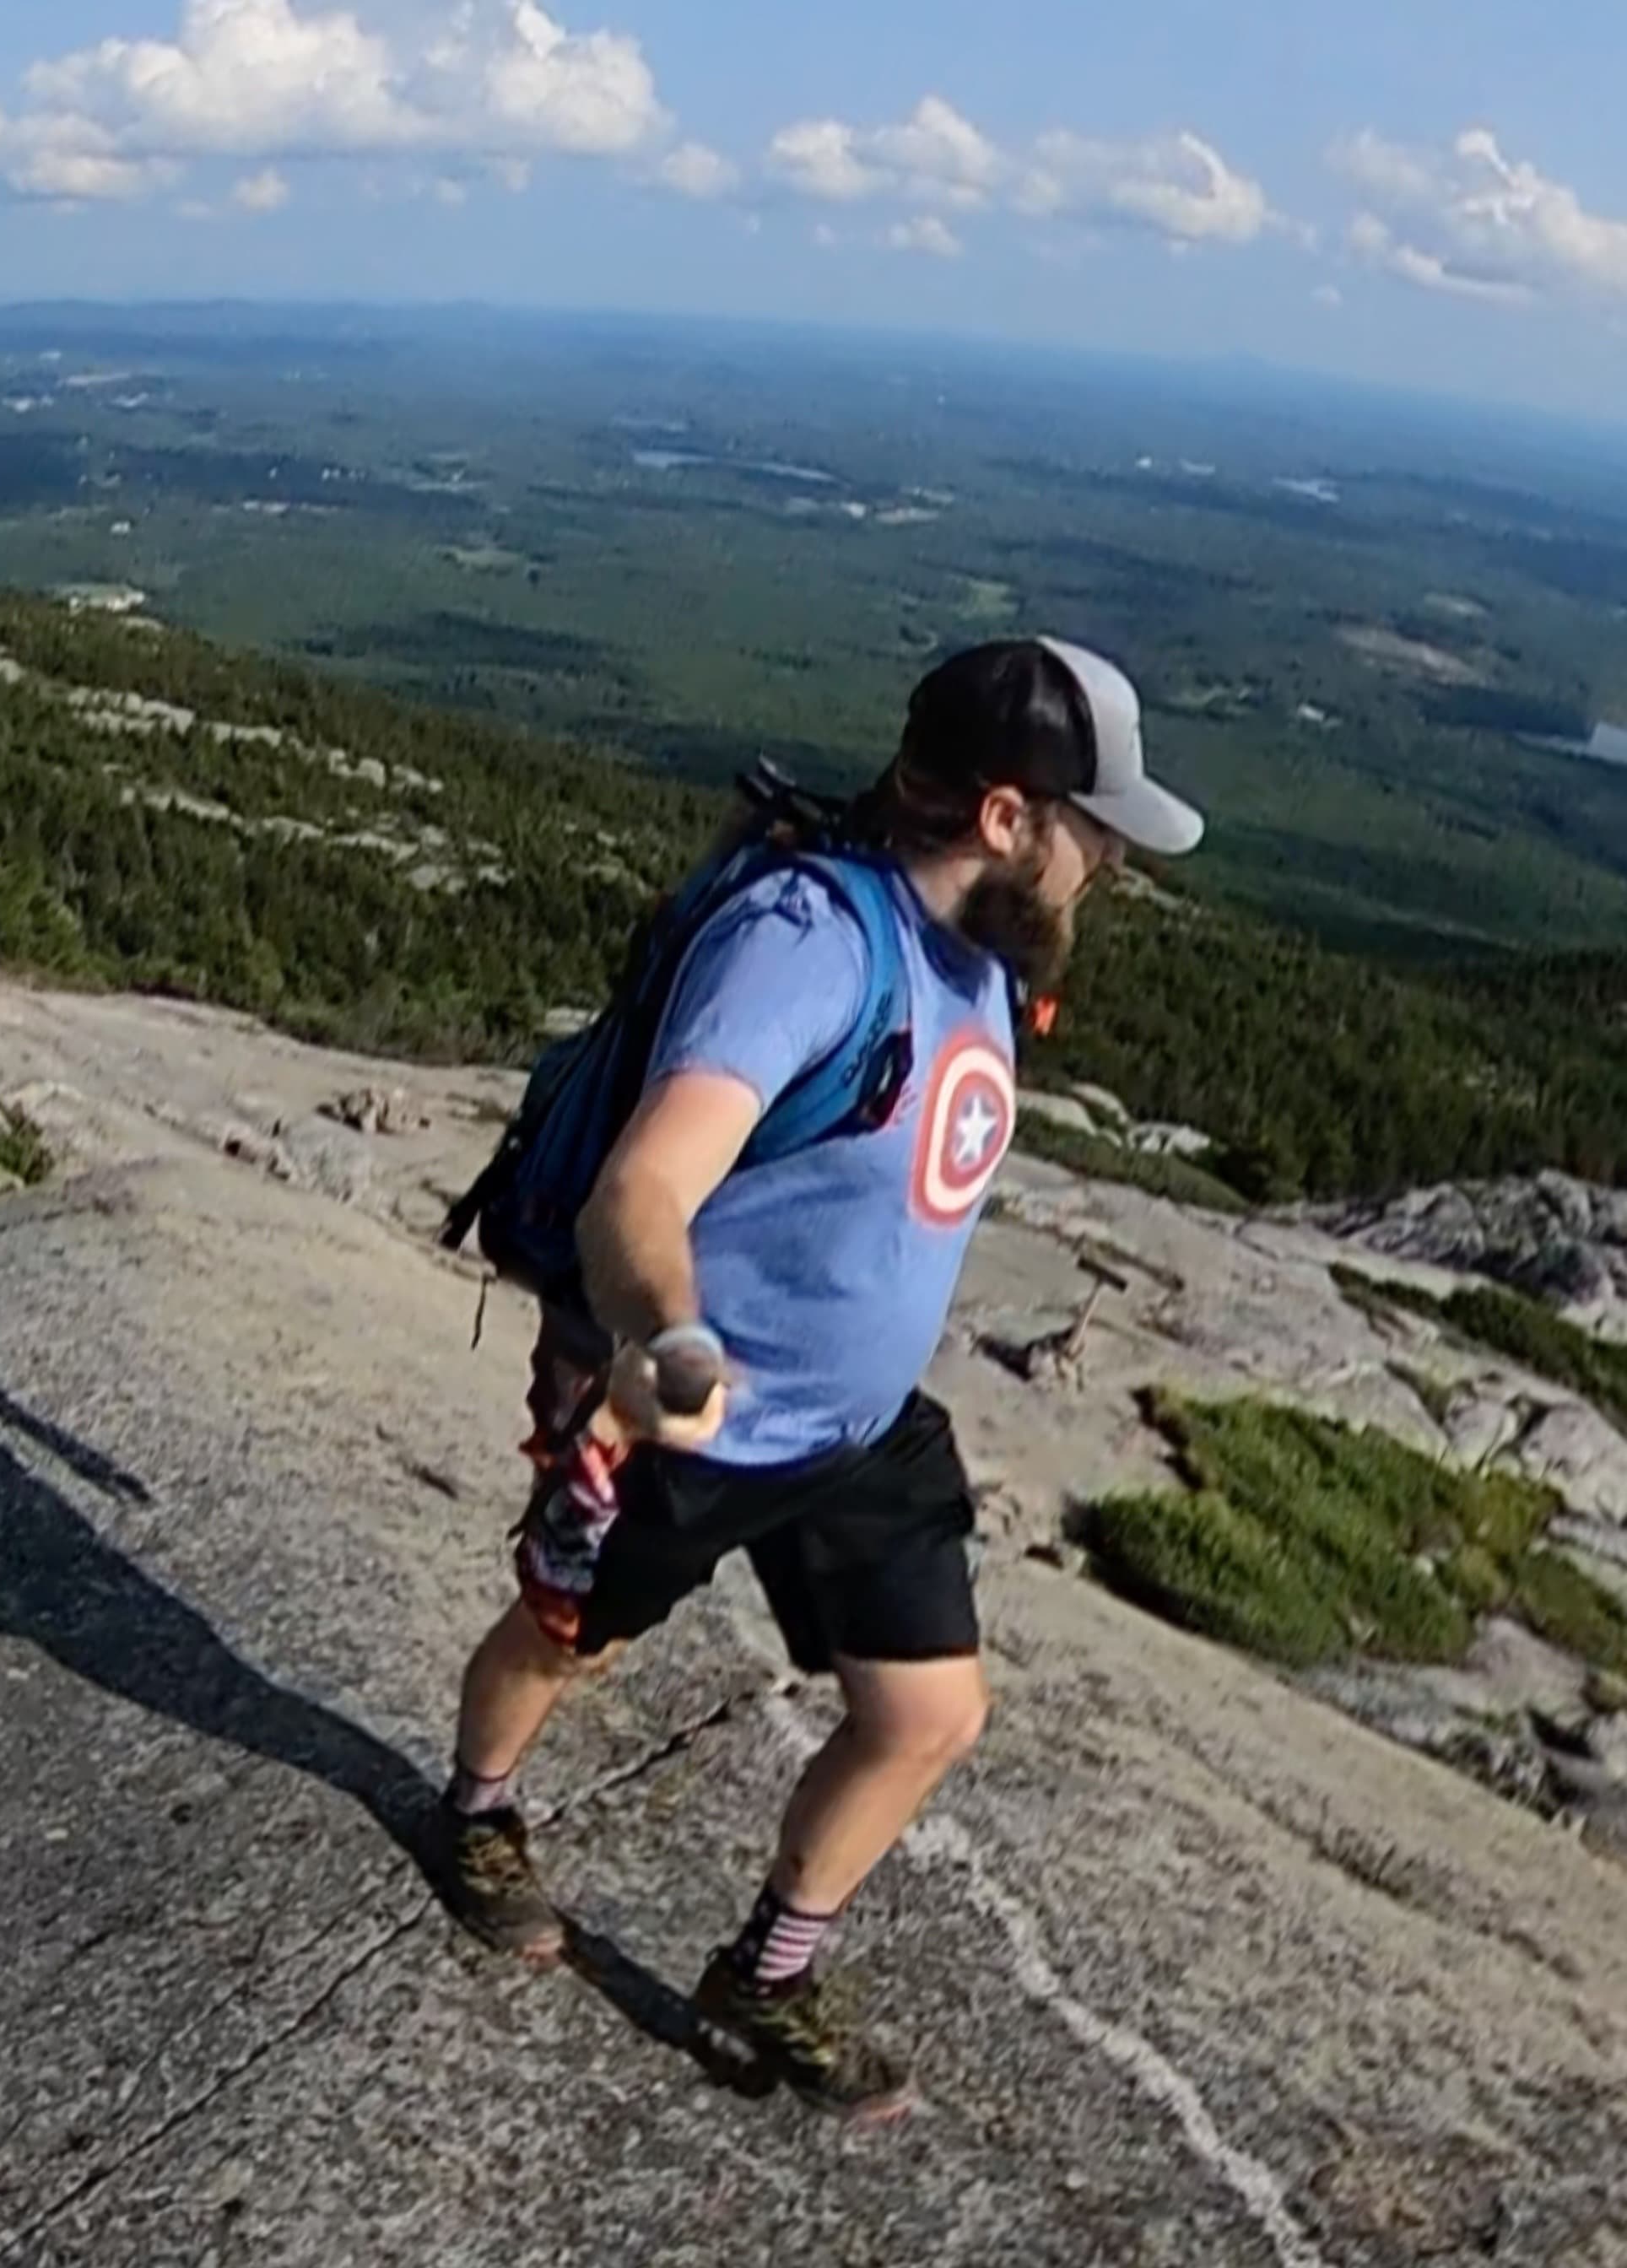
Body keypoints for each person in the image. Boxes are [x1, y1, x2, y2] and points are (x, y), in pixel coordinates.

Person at [421, 636, 1204, 2123]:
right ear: (1005, 818)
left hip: (860, 1426)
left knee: (929, 1714)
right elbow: (642, 1192)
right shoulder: (810, 944)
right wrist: (669, 1341)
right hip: (701, 1414)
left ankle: (767, 1974)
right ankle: (475, 1810)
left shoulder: (981, 953)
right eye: (1092, 832)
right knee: (568, 1640)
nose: (1107, 864)